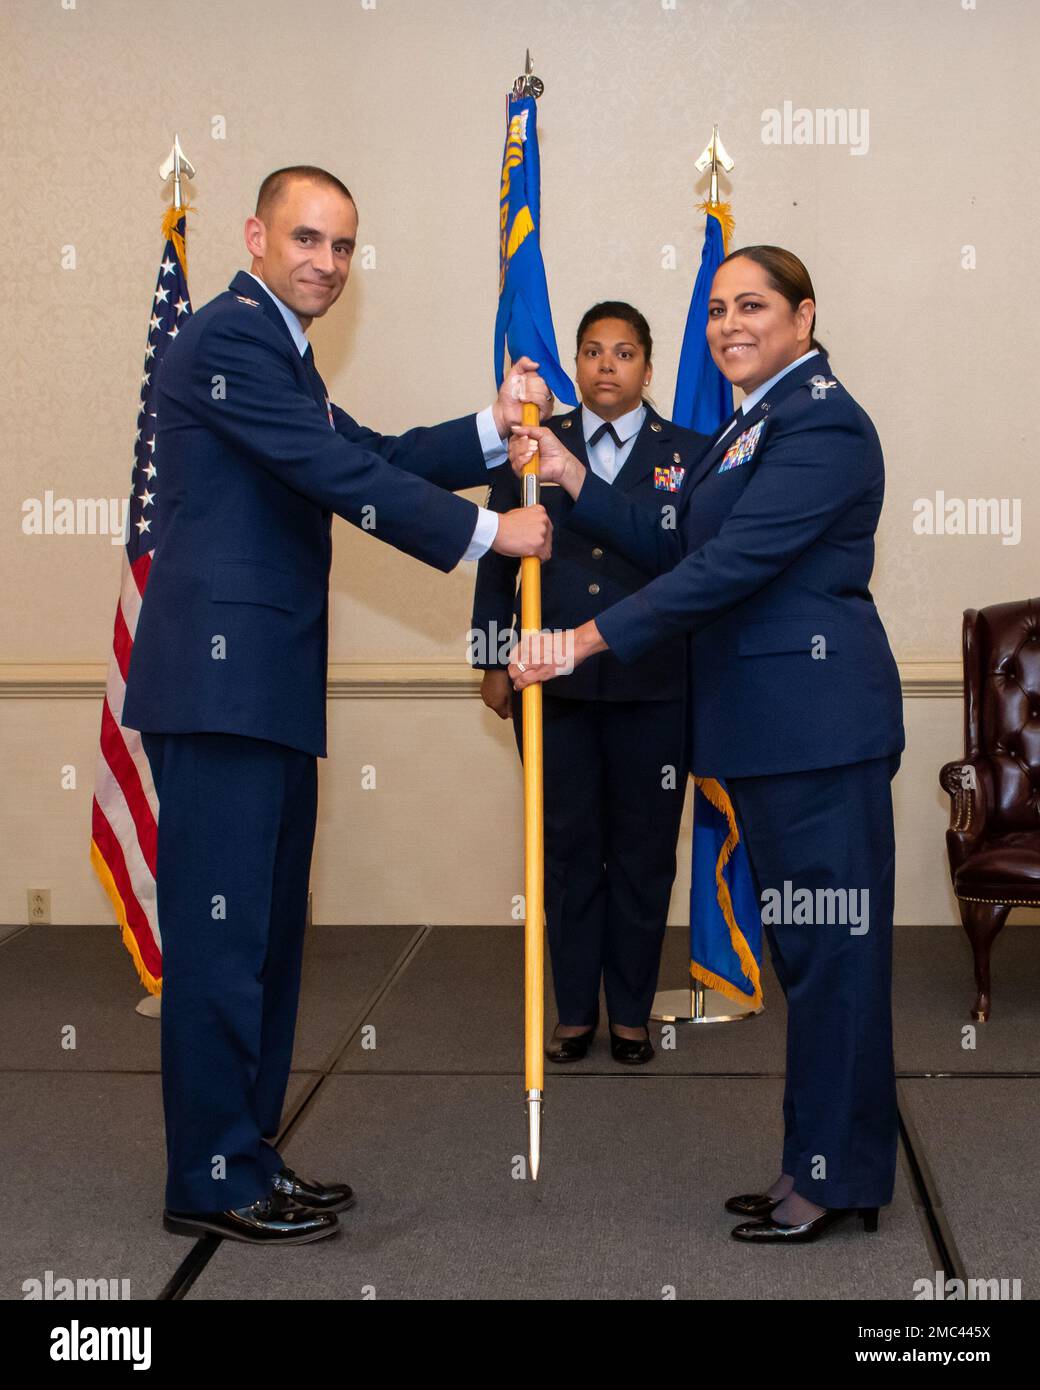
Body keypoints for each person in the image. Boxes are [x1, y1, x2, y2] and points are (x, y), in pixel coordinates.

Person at [121, 165, 553, 1246]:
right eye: (306, 238)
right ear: (255, 236)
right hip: (222, 689)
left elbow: (364, 455)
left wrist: (490, 433)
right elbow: (330, 469)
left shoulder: (279, 352)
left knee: (264, 935)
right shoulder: (229, 336)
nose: (325, 261)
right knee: (224, 944)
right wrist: (486, 536)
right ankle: (210, 1177)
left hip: (259, 689)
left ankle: (246, 1153)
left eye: (344, 246)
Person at [508, 246, 905, 1244]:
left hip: (816, 731)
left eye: (752, 305)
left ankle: (830, 1178)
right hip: (769, 734)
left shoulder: (821, 423)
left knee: (832, 959)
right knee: (809, 958)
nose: (728, 322)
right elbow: (674, 525)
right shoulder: (749, 424)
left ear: (802, 317)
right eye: (717, 307)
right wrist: (568, 475)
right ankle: (817, 1167)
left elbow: (724, 566)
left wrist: (584, 639)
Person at [472, 302, 707, 1064]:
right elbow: (494, 555)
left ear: (648, 367)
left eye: (625, 353)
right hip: (551, 686)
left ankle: (632, 1014)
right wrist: (488, 657)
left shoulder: (690, 454)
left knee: (642, 854)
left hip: (653, 683)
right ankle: (574, 1012)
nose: (608, 366)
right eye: (594, 352)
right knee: (567, 851)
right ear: (574, 365)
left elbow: (690, 565)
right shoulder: (532, 445)